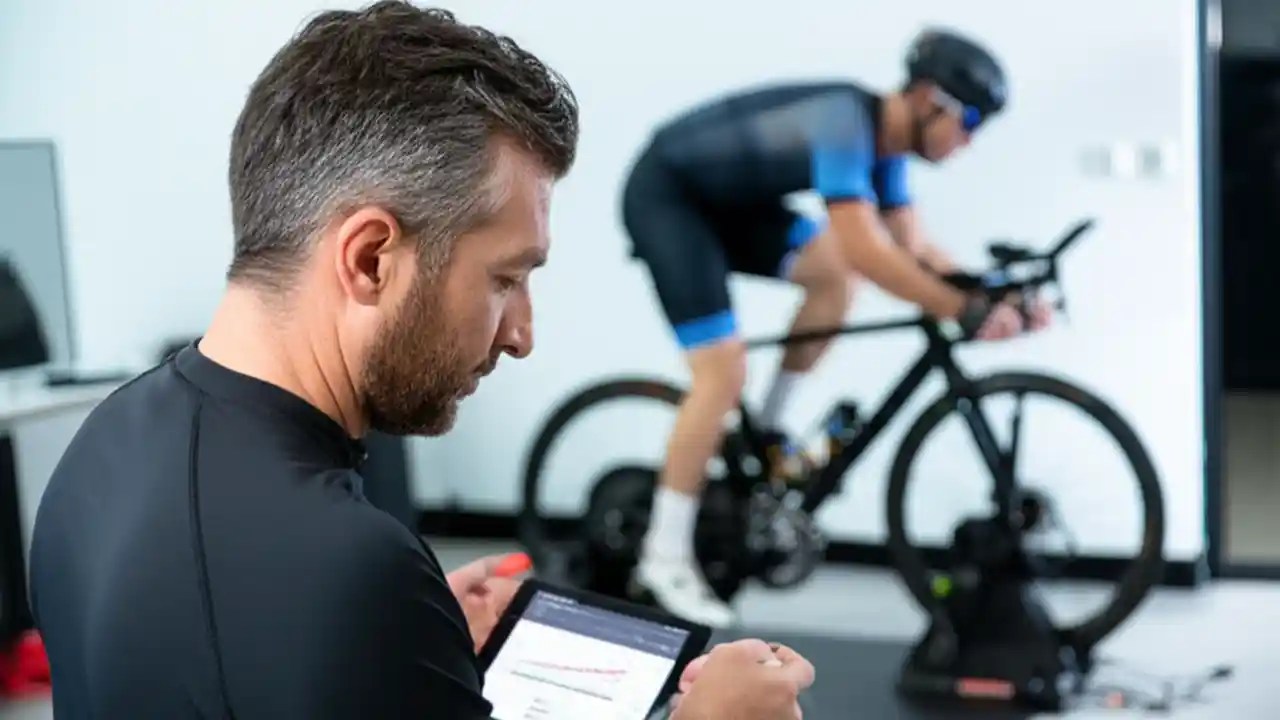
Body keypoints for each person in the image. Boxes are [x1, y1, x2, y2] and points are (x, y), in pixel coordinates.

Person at [27, 3, 814, 718]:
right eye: (505, 279)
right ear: (371, 258)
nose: (520, 335)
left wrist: (411, 653)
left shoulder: (105, 444)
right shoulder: (350, 570)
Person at [622, 28, 1053, 627]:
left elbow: (915, 247)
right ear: (932, 100)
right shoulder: (843, 120)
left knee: (836, 278)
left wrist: (989, 291)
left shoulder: (888, 148)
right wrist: (959, 311)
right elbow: (868, 248)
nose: (969, 143)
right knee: (721, 375)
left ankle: (765, 436)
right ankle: (662, 557)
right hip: (668, 199)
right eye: (971, 123)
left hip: (729, 206)